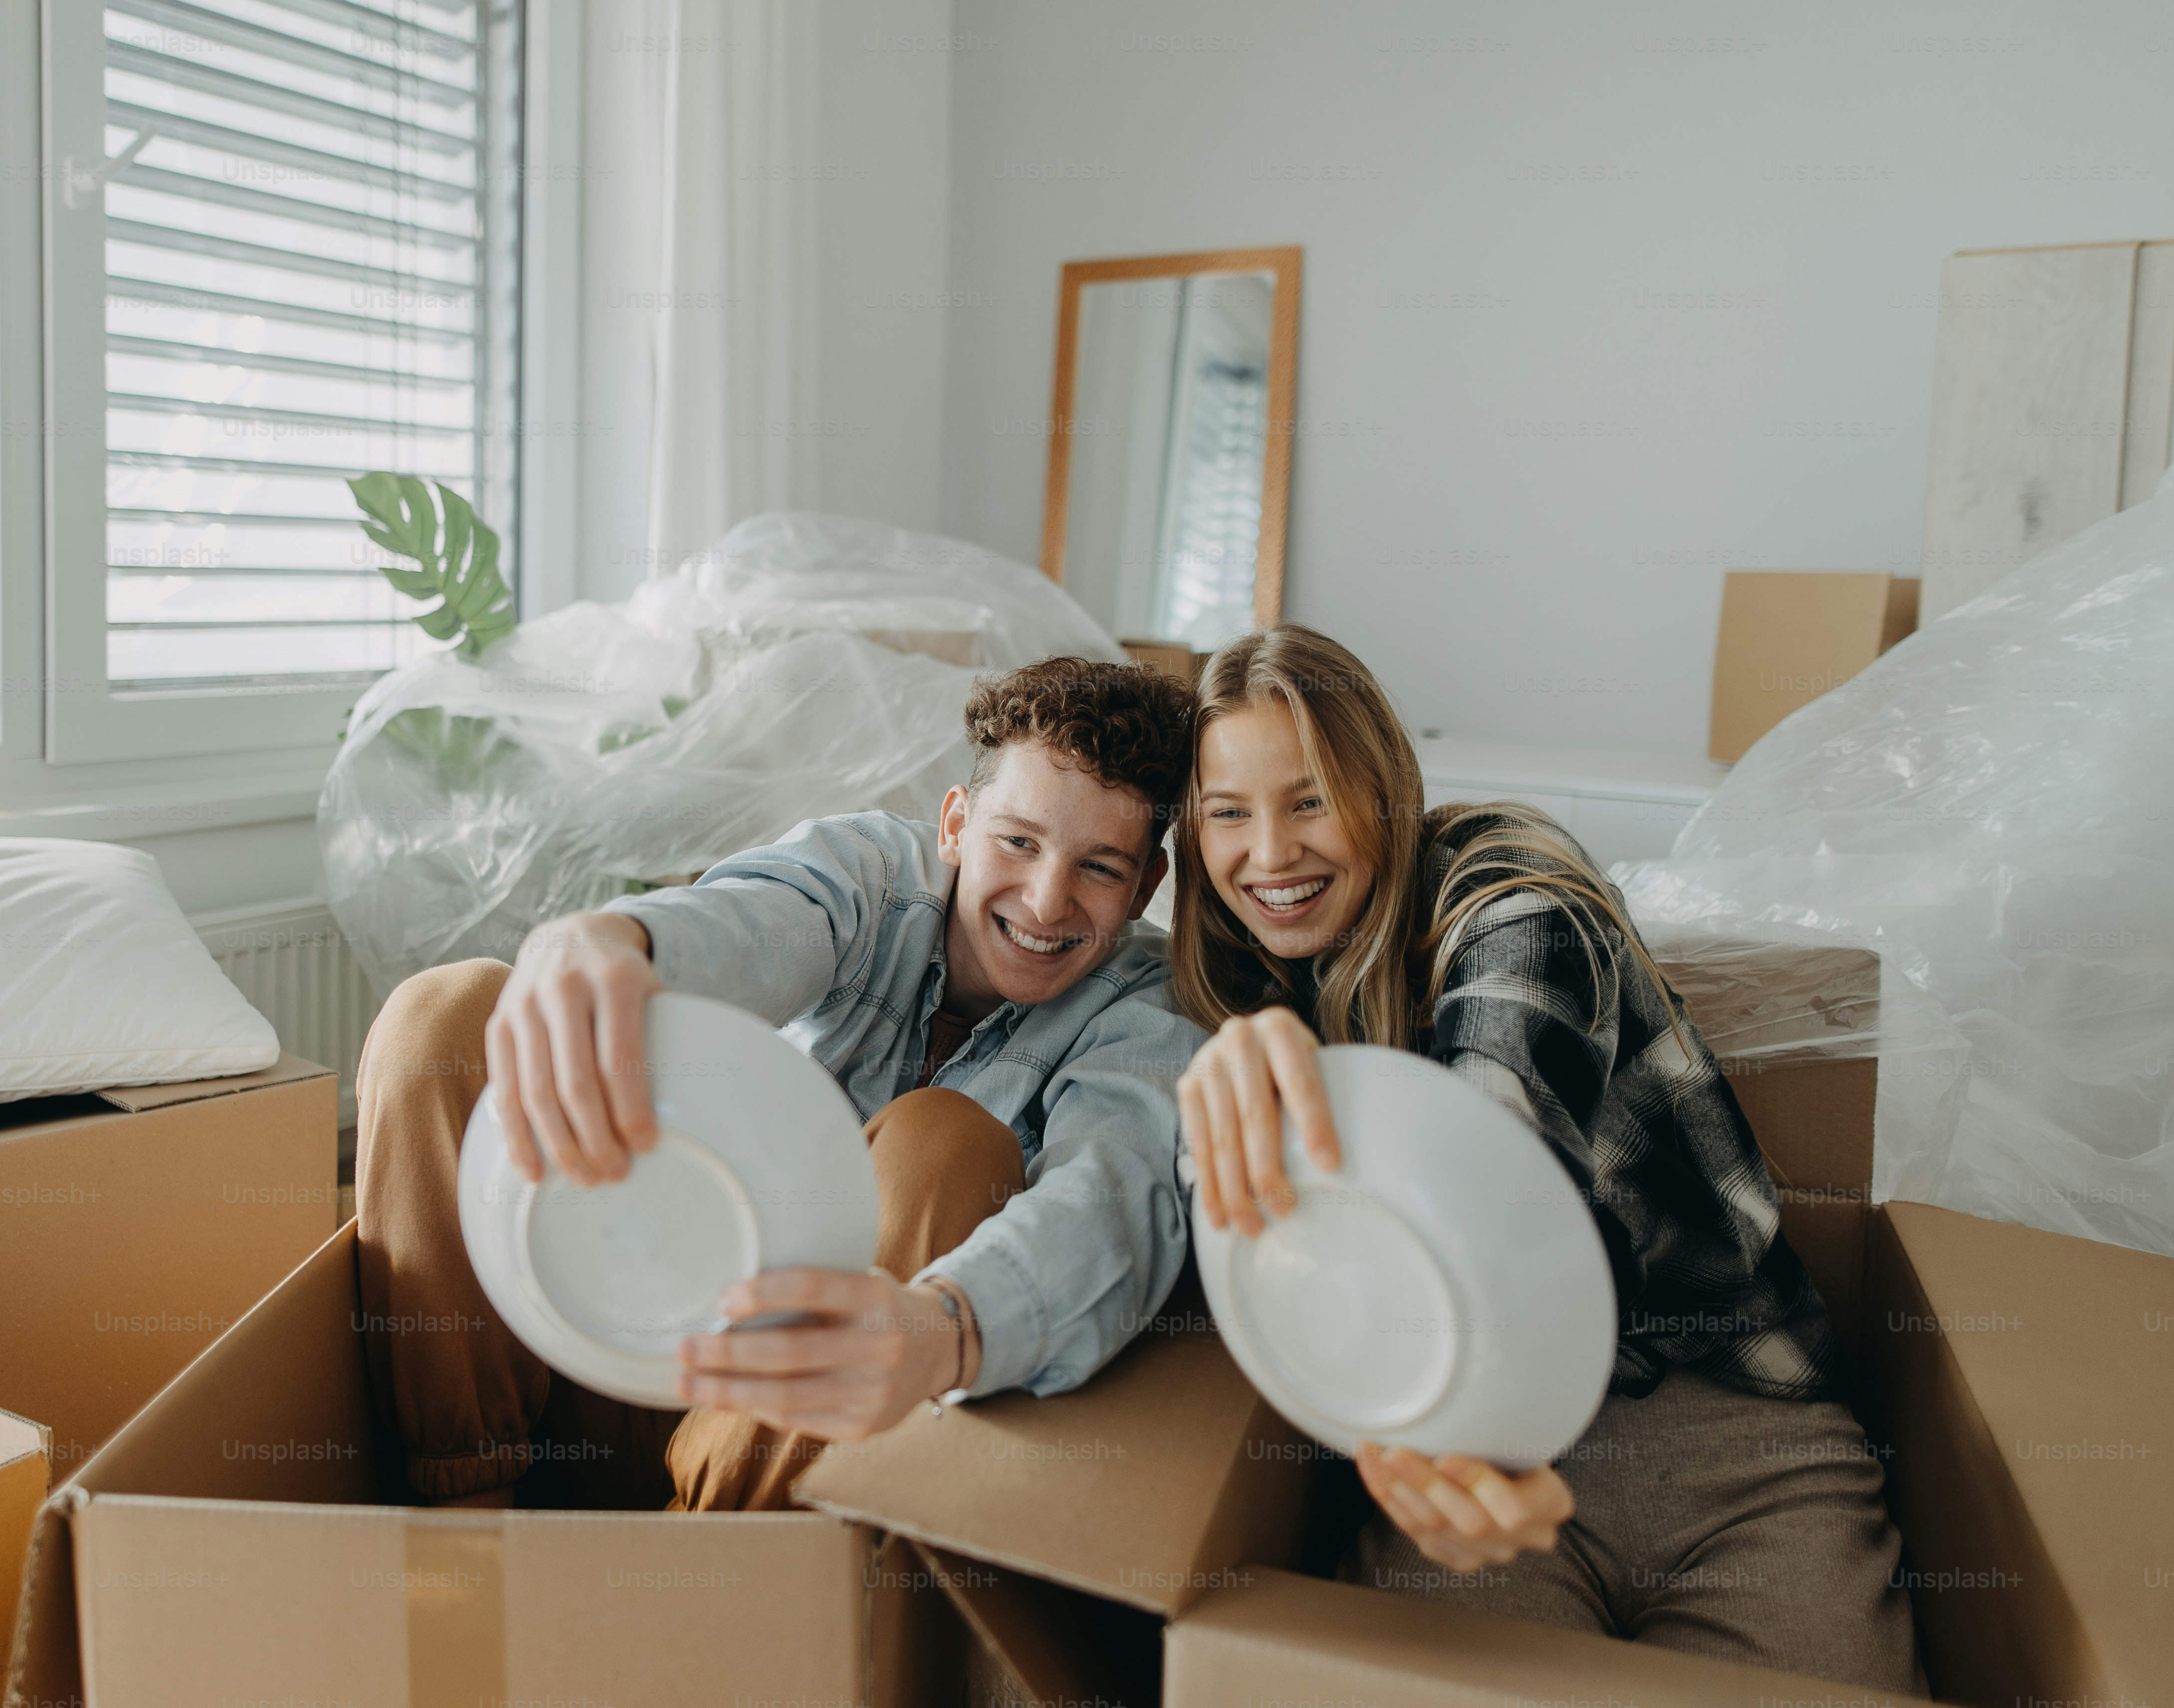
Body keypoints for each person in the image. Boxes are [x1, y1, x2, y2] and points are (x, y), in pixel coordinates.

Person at [1169, 624, 1923, 1692]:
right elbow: (1216, 1218)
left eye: (1310, 799)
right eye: (1227, 814)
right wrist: (1210, 1138)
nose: (1271, 853)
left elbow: (1497, 1153)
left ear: (1382, 787)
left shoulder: (1515, 897)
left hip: (1735, 1437)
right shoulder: (1237, 969)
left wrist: (1454, 1422)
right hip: (1482, 1448)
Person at [351, 655, 1204, 1512]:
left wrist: (948, 1326)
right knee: (443, 1014)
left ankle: (695, 1602)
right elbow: (755, 922)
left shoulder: (1145, 1006)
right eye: (1017, 841)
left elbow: (1110, 1200)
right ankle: (464, 1519)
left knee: (942, 1141)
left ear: (1145, 887)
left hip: (783, 1458)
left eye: (1099, 868)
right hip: (614, 1349)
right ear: (955, 825)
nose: (1048, 901)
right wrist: (619, 942)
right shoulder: (868, 875)